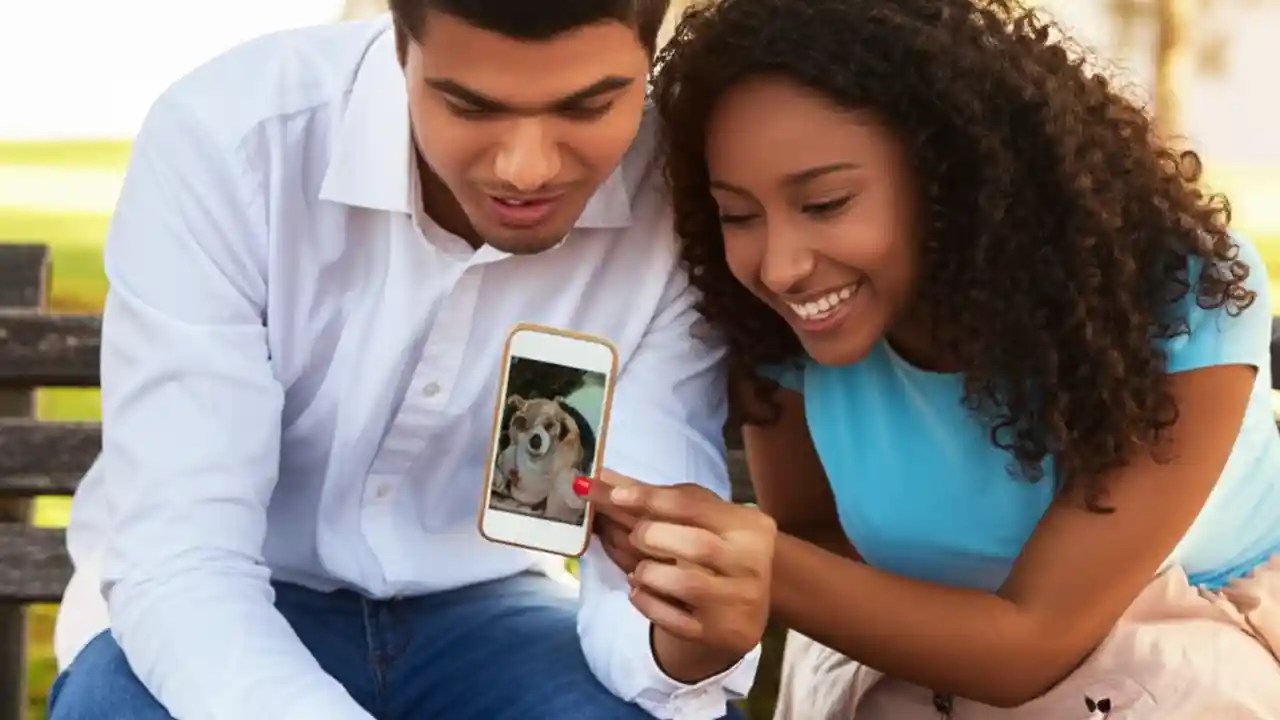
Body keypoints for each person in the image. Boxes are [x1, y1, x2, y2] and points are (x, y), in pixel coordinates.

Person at [46, 2, 771, 718]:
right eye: (471, 107)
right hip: (221, 603)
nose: (526, 168)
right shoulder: (231, 144)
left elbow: (635, 584)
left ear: (646, 54)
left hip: (494, 616)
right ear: (400, 44)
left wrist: (684, 643)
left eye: (588, 108)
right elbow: (183, 567)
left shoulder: (671, 200)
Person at [587, 0, 1280, 716]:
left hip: (1182, 645)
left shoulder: (1169, 297)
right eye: (738, 214)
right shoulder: (780, 325)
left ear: (952, 176)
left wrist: (749, 556)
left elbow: (1033, 642)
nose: (782, 265)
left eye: (825, 203)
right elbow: (813, 534)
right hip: (906, 652)